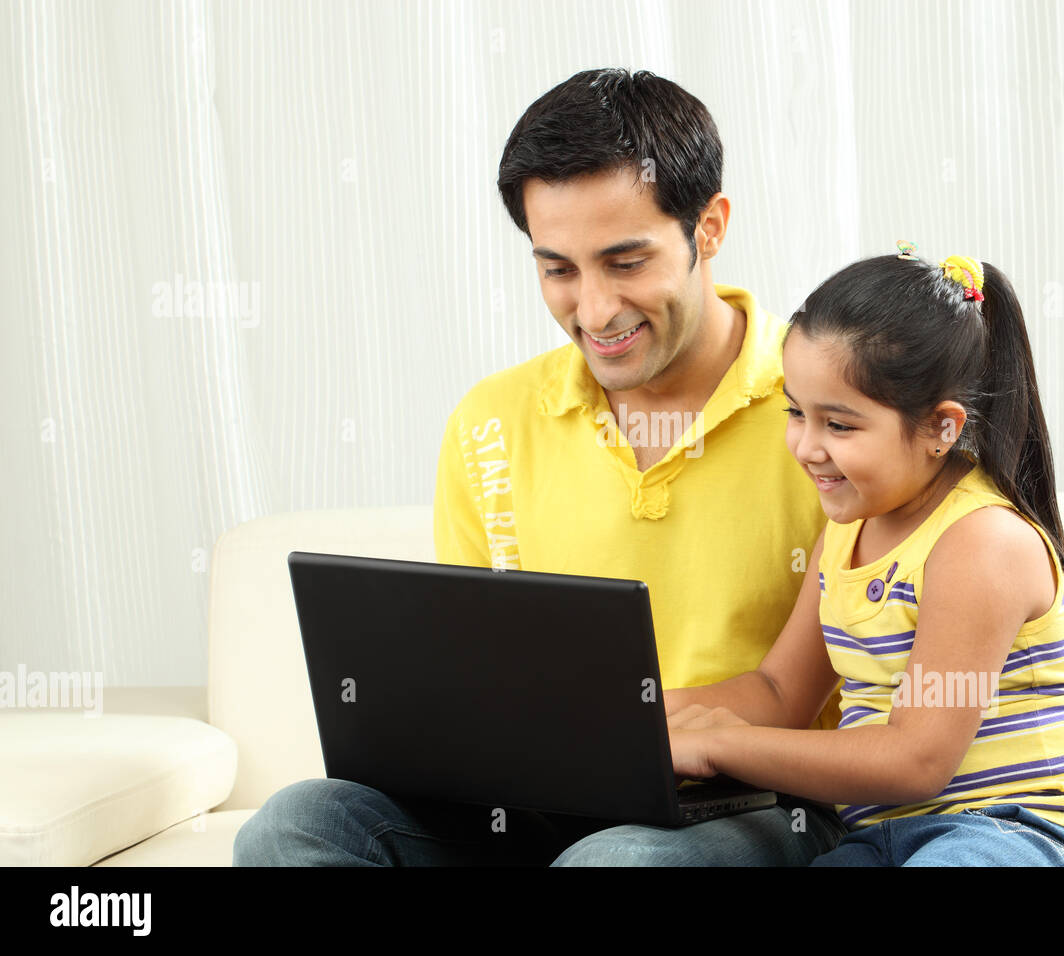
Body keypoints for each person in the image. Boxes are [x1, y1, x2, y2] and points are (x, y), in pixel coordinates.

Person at [233, 68, 845, 867]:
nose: (593, 311)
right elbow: (475, 669)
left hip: (753, 800)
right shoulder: (491, 421)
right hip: (537, 804)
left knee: (618, 863)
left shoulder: (830, 412)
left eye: (626, 262)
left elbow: (823, 691)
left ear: (710, 226)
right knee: (294, 826)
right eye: (558, 269)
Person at [664, 246, 1064, 866]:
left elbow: (915, 761)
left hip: (1024, 830)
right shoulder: (847, 533)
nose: (805, 446)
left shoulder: (981, 542)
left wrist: (719, 744)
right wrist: (630, 710)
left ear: (942, 428)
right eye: (796, 413)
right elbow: (778, 690)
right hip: (881, 837)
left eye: (841, 425)